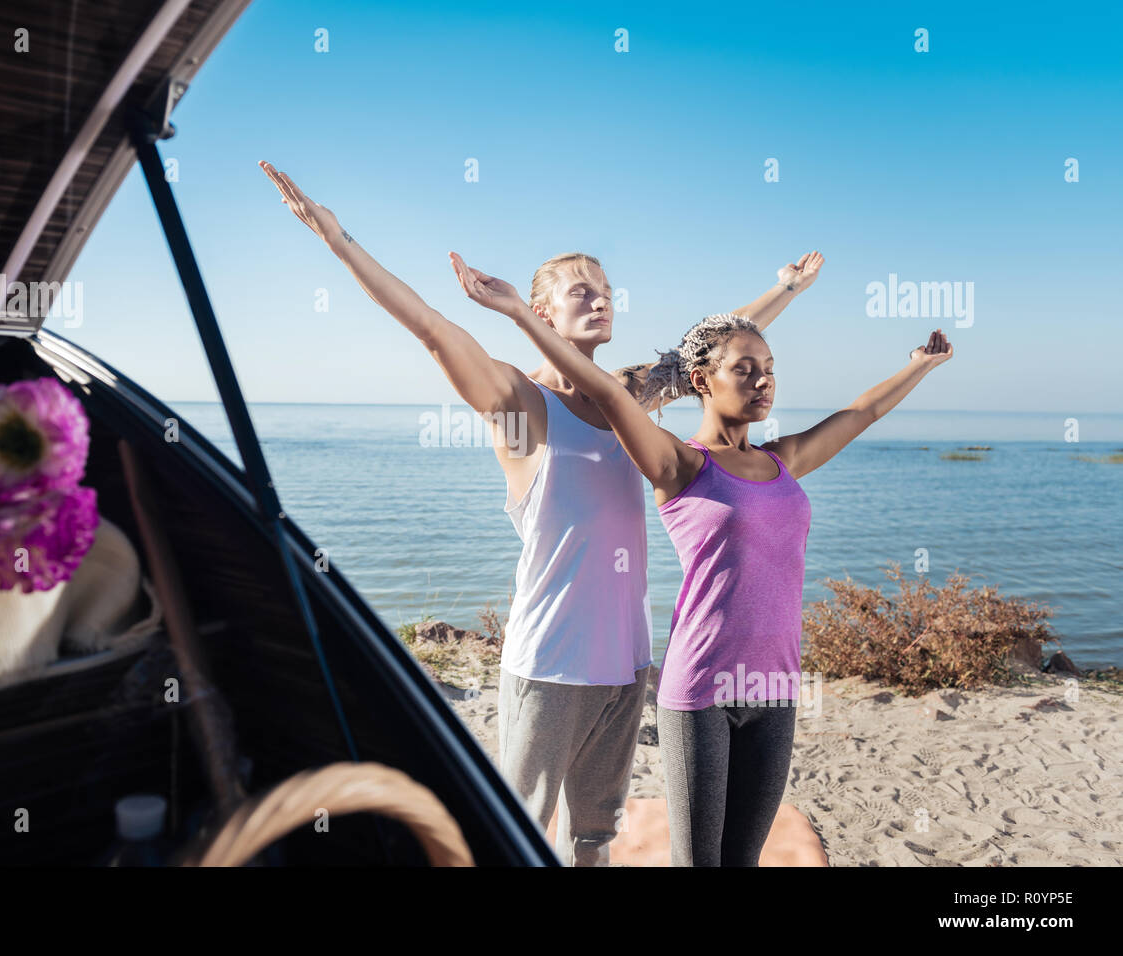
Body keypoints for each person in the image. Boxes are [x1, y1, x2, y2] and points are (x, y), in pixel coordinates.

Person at [259, 161, 822, 865]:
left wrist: (785, 290)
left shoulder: (628, 398)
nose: (601, 299)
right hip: (549, 664)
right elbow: (434, 330)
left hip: (627, 663)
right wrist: (339, 241)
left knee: (595, 837)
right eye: (580, 290)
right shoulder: (521, 405)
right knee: (519, 836)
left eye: (607, 290)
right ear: (543, 312)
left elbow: (710, 351)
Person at [450, 256, 954, 866]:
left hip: (775, 683)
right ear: (701, 381)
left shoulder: (782, 459)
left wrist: (914, 366)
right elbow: (618, 388)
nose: (763, 380)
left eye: (769, 369)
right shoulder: (680, 463)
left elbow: (856, 412)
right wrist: (517, 314)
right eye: (746, 371)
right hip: (694, 685)